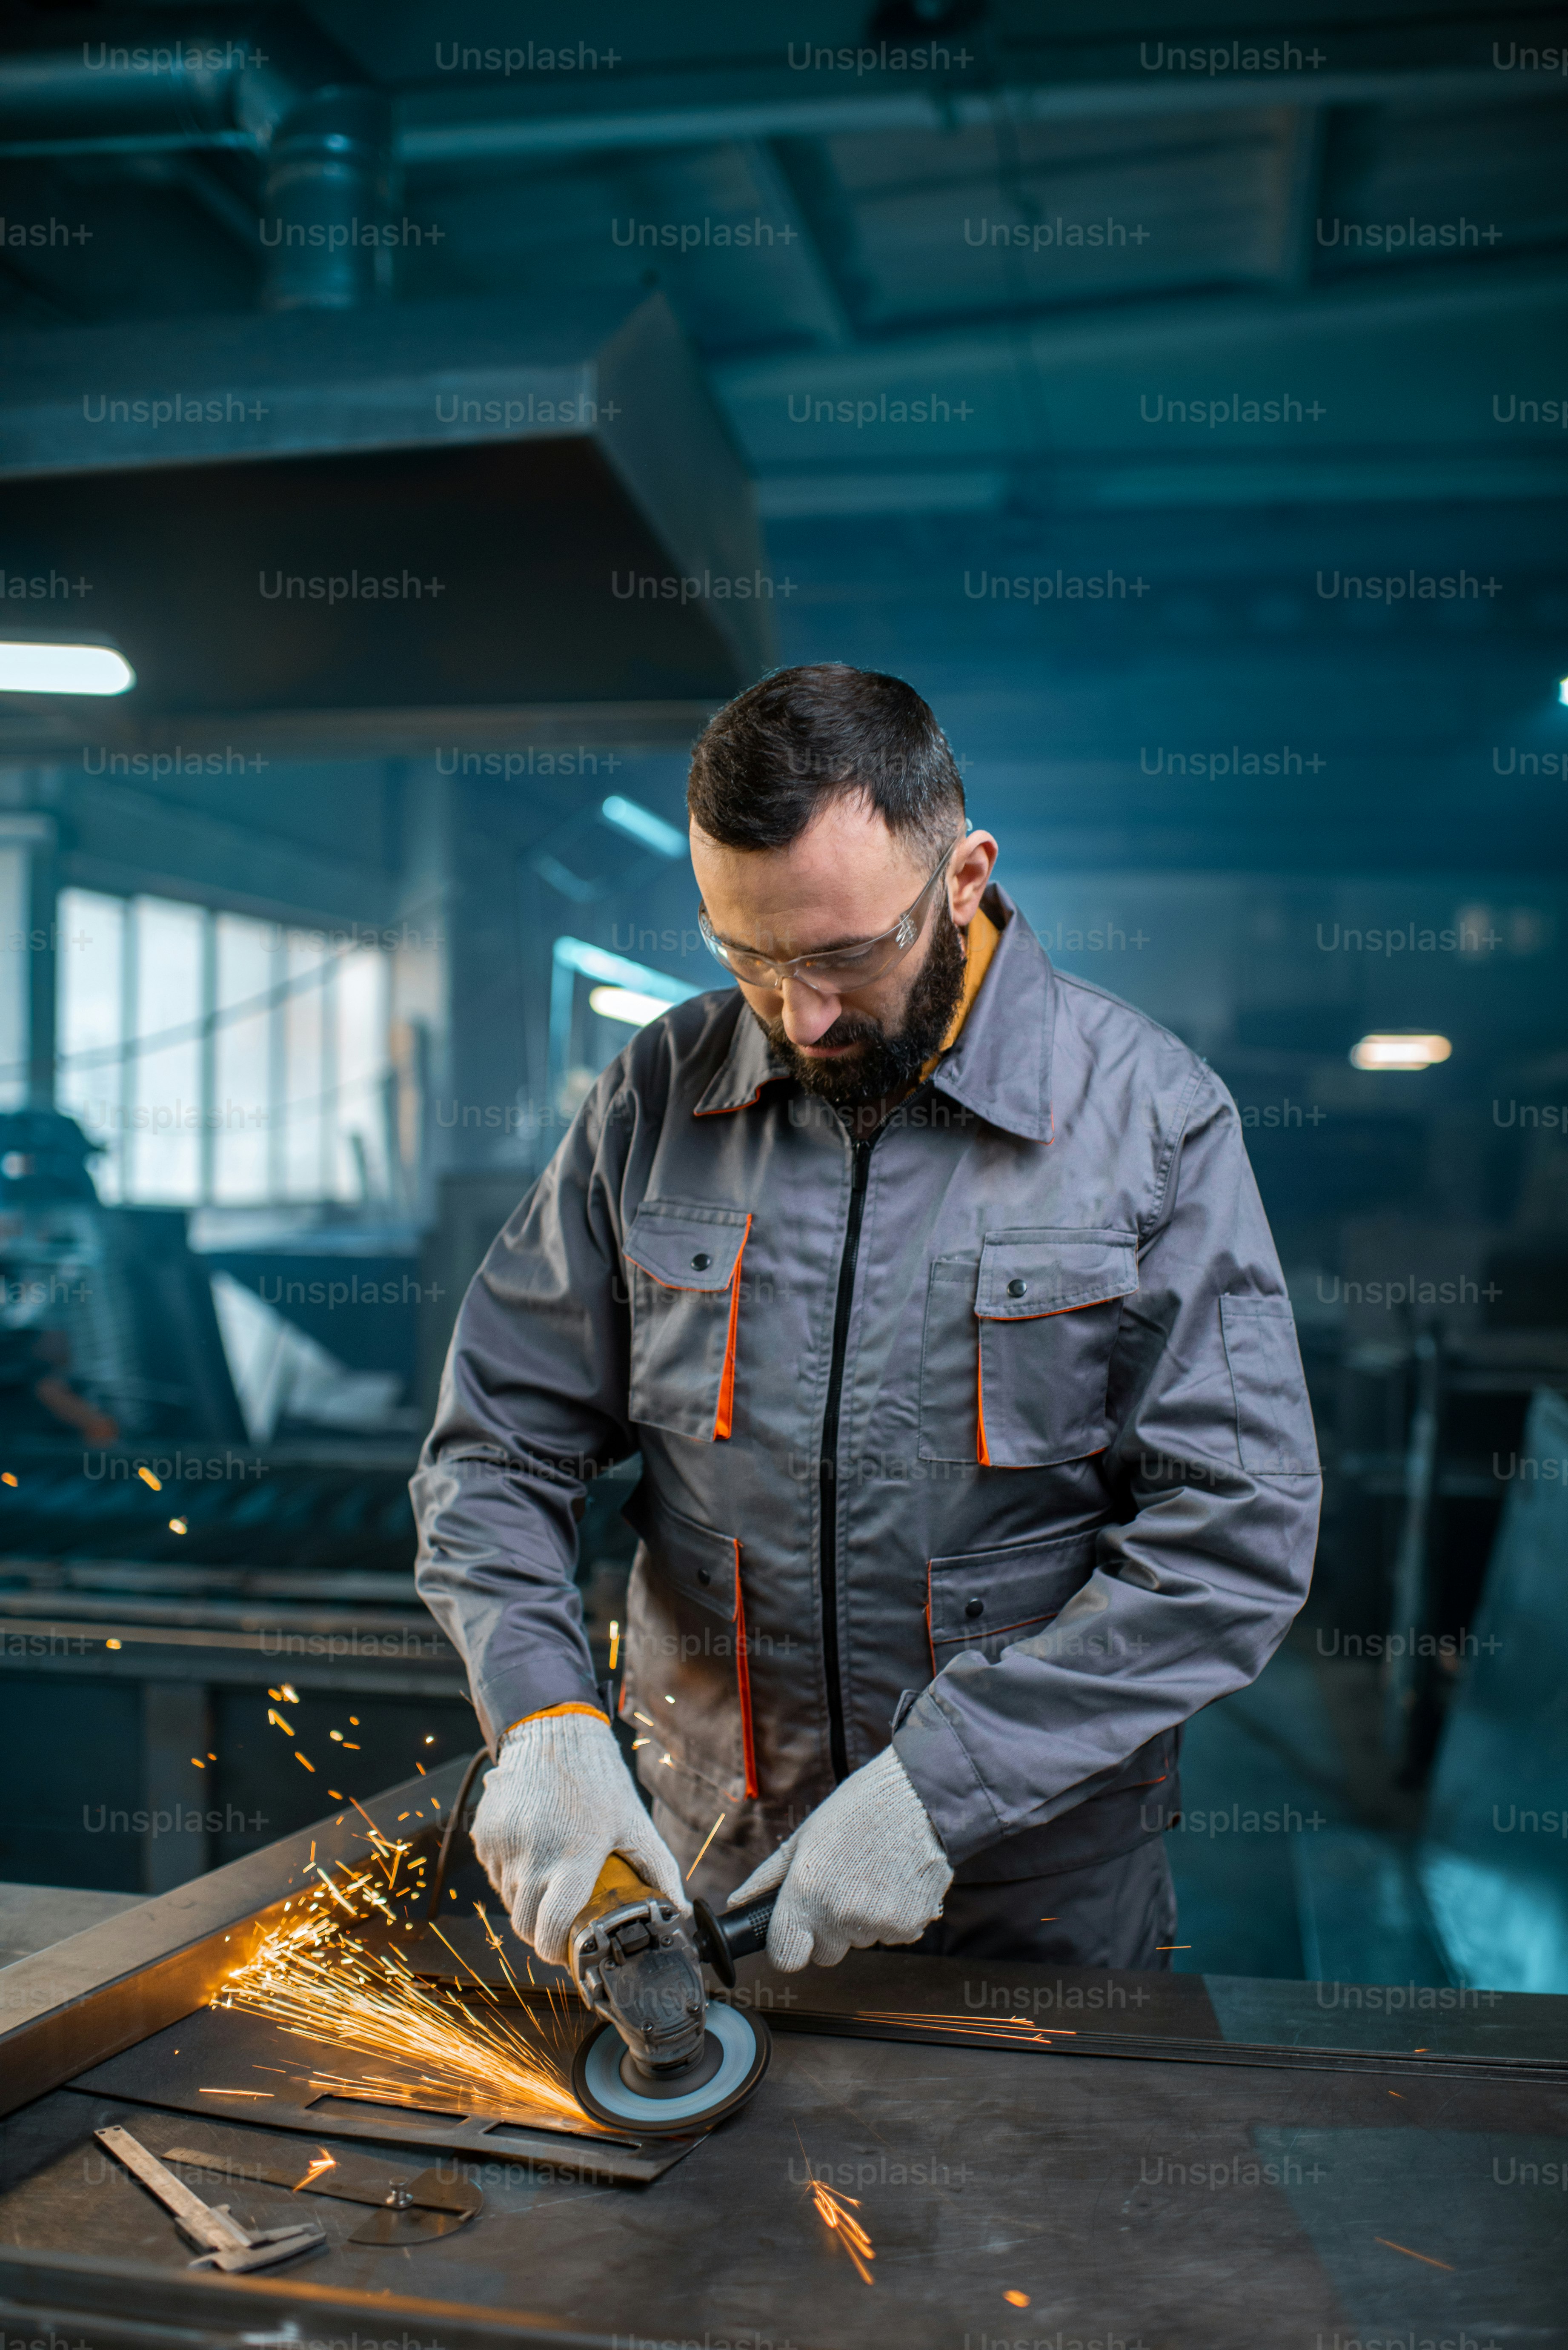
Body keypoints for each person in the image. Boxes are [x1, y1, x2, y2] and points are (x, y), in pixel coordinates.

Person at [413, 664, 1320, 1975]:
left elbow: (1233, 1534)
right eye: (749, 957)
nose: (802, 1014)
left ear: (963, 877)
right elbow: (496, 1449)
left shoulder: (1150, 1119)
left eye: (844, 954)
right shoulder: (655, 1096)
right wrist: (544, 1719)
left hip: (1030, 1889)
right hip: (701, 1863)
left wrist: (944, 1787)